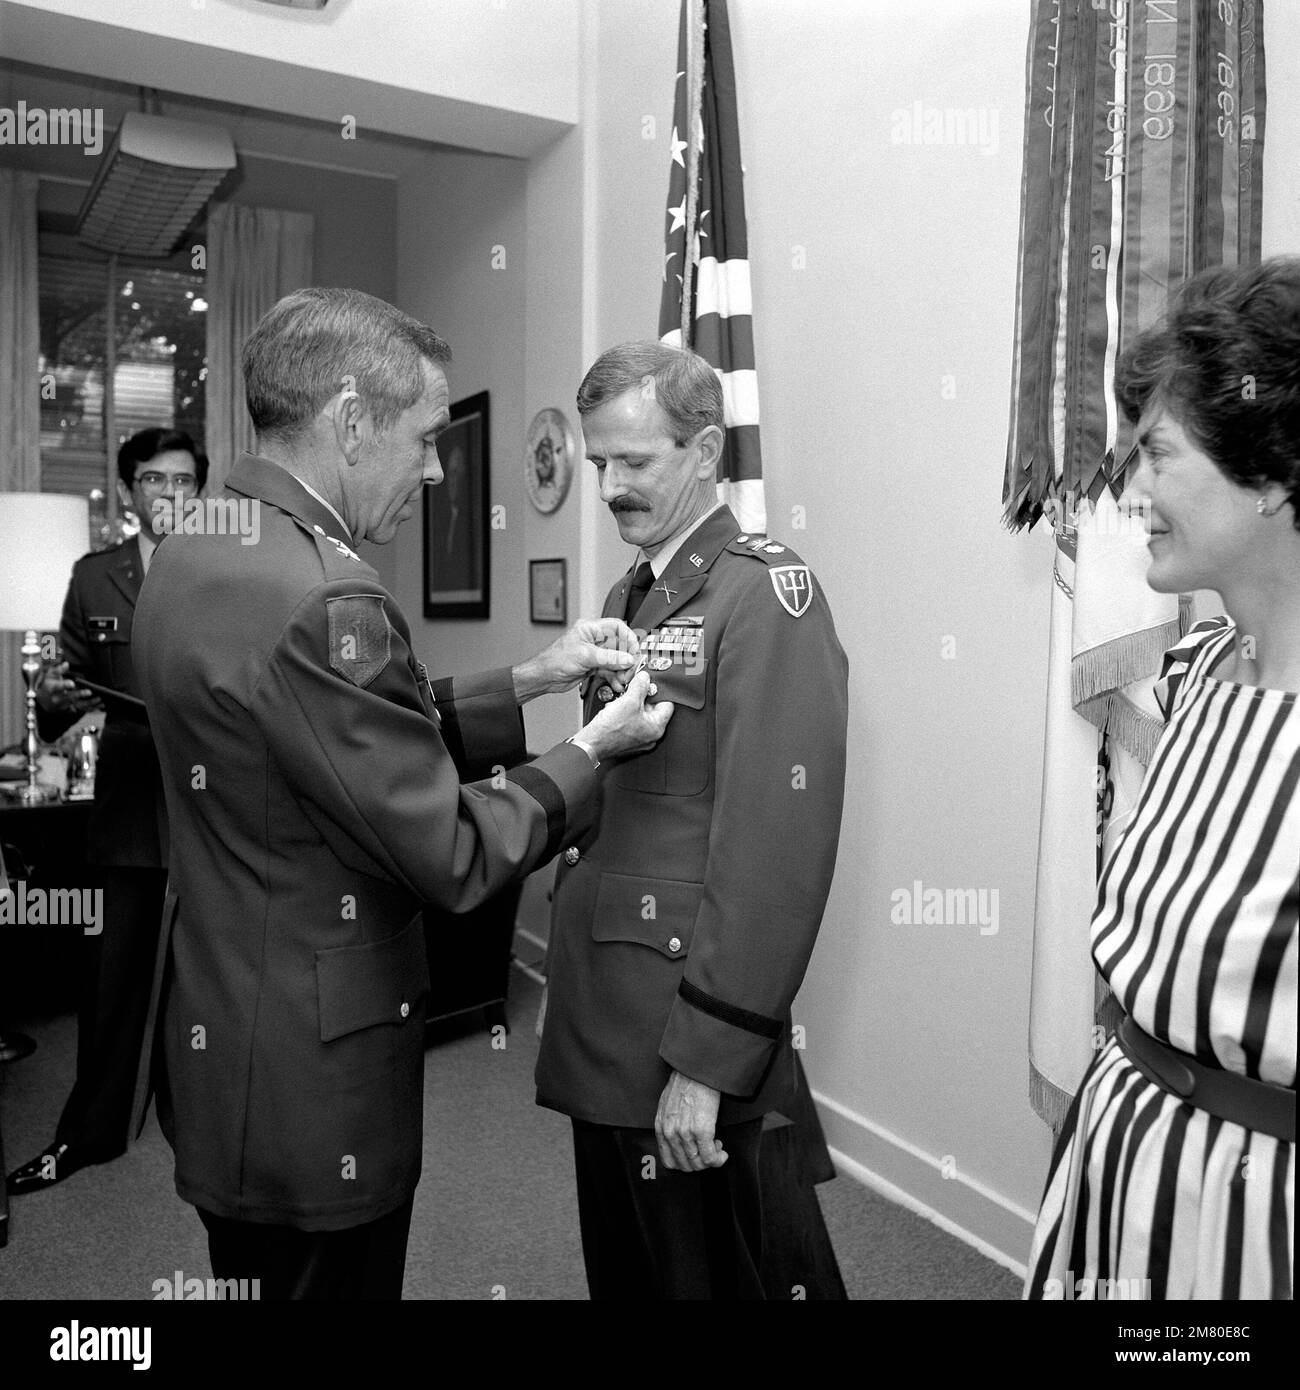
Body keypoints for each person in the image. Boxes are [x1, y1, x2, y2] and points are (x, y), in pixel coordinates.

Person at [130, 288, 671, 1300]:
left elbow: (323, 738)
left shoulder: (199, 546)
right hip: (313, 1079)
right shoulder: (327, 594)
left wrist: (529, 677)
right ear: (347, 420)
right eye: (425, 437)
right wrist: (593, 750)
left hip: (225, 1031)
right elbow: (454, 854)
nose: (433, 467)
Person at [535, 341, 849, 1299]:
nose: (609, 488)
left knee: (712, 1277)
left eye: (636, 462)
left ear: (707, 450)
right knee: (636, 1275)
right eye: (598, 463)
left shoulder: (763, 596)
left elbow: (774, 856)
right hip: (613, 1014)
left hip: (680, 1025)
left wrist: (707, 1063)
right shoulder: (629, 594)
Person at [1026, 258, 1299, 1300]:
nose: (1129, 491)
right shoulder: (1187, 675)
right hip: (1118, 1171)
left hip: (1249, 1224)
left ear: (1273, 471)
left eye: (1157, 457)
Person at [6, 428, 206, 1198]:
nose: (170, 496)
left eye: (185, 483)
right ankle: (89, 1132)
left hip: (208, 809)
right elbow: (63, 694)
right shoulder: (93, 578)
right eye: (155, 481)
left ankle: (205, 1128)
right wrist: (54, 703)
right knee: (111, 981)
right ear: (130, 491)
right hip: (126, 810)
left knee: (208, 984)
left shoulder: (224, 572)